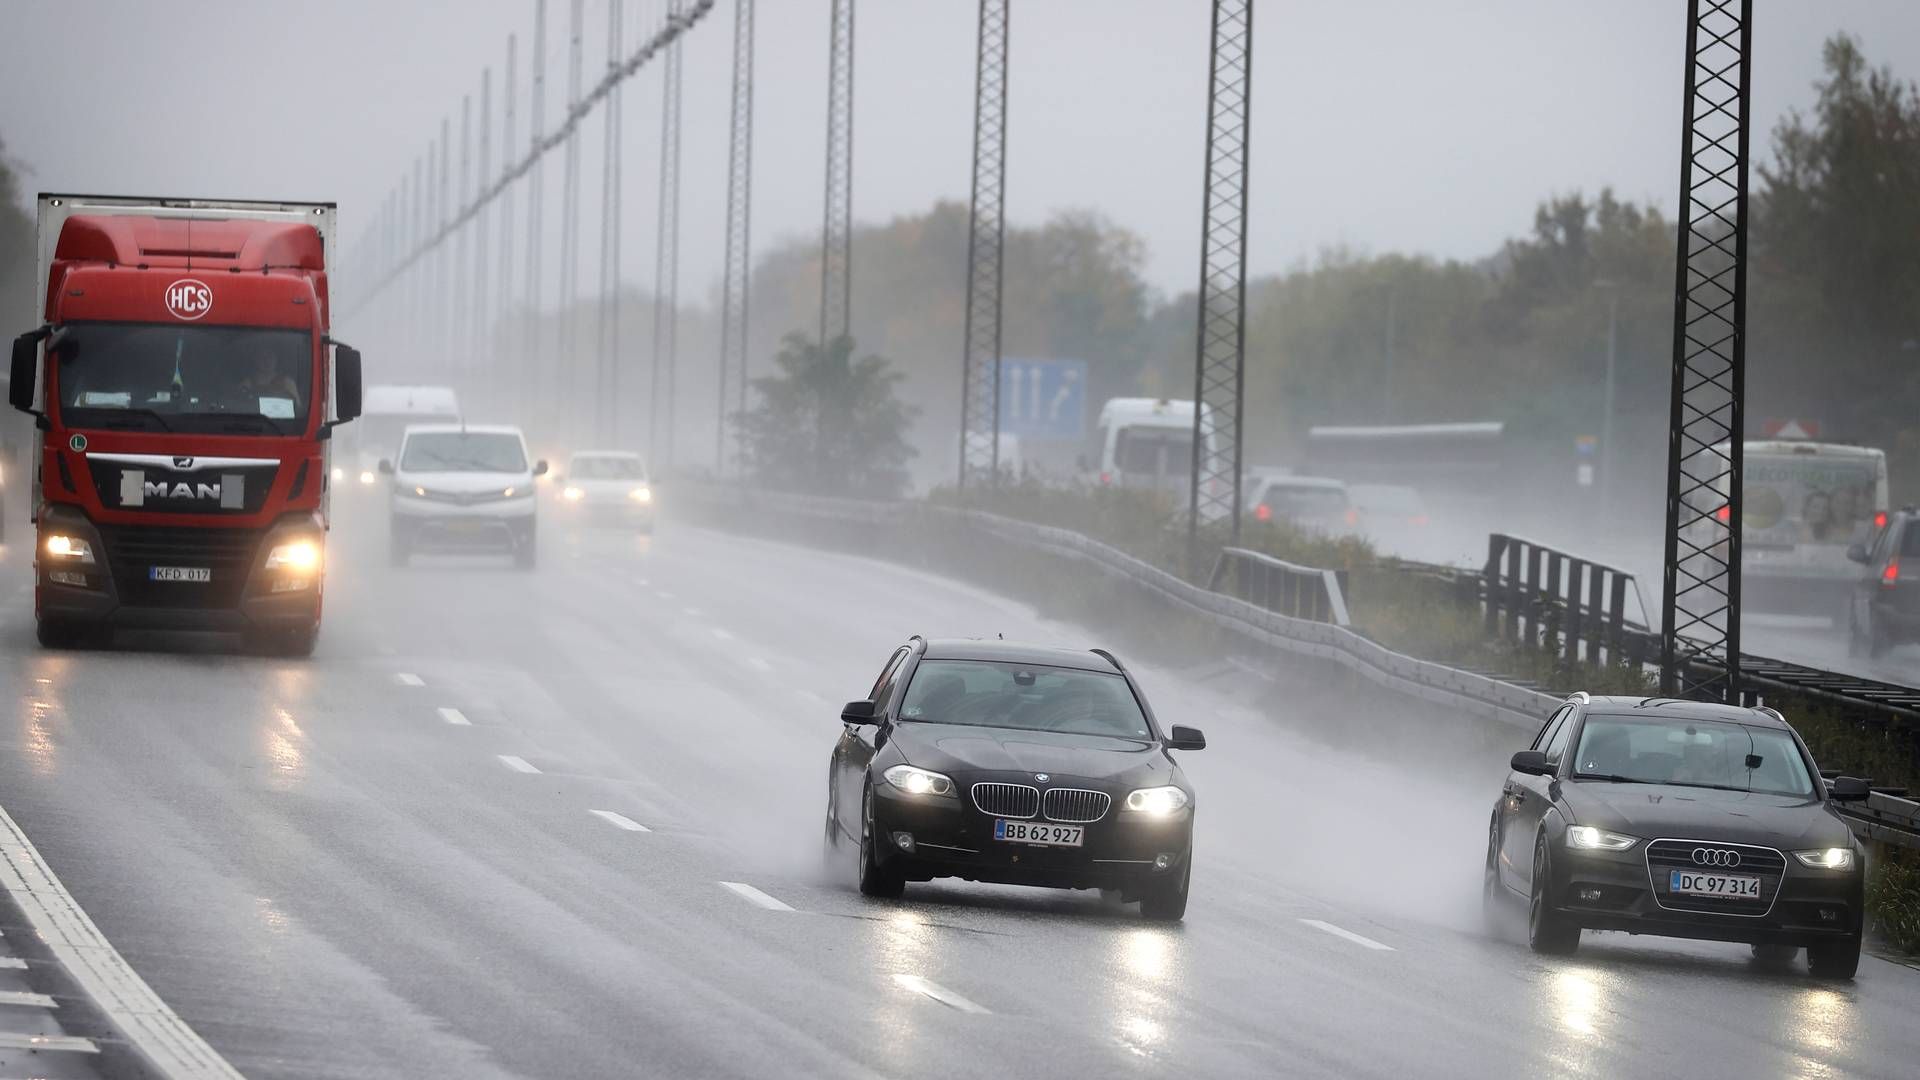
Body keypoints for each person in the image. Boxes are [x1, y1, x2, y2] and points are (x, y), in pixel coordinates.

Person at [234, 348, 302, 414]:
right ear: (255, 360)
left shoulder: (288, 382)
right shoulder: (247, 384)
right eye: (262, 357)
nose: (266, 360)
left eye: (270, 356)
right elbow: (238, 407)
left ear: (276, 358)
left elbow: (298, 407)